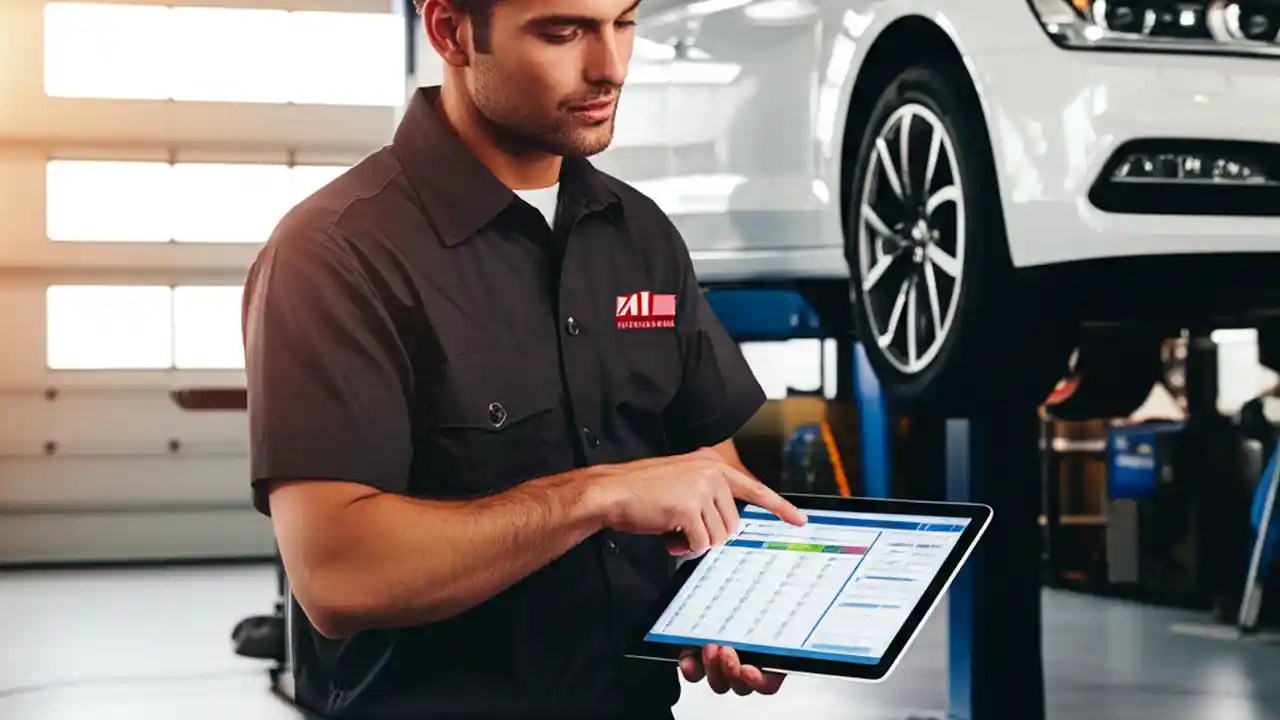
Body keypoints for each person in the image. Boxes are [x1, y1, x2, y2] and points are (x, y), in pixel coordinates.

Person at [241, 0, 808, 716]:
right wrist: (593, 497)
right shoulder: (334, 253)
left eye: (624, 22)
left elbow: (711, 475)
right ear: (450, 31)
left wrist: (736, 608)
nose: (610, 67)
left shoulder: (641, 235)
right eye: (564, 32)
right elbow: (339, 576)